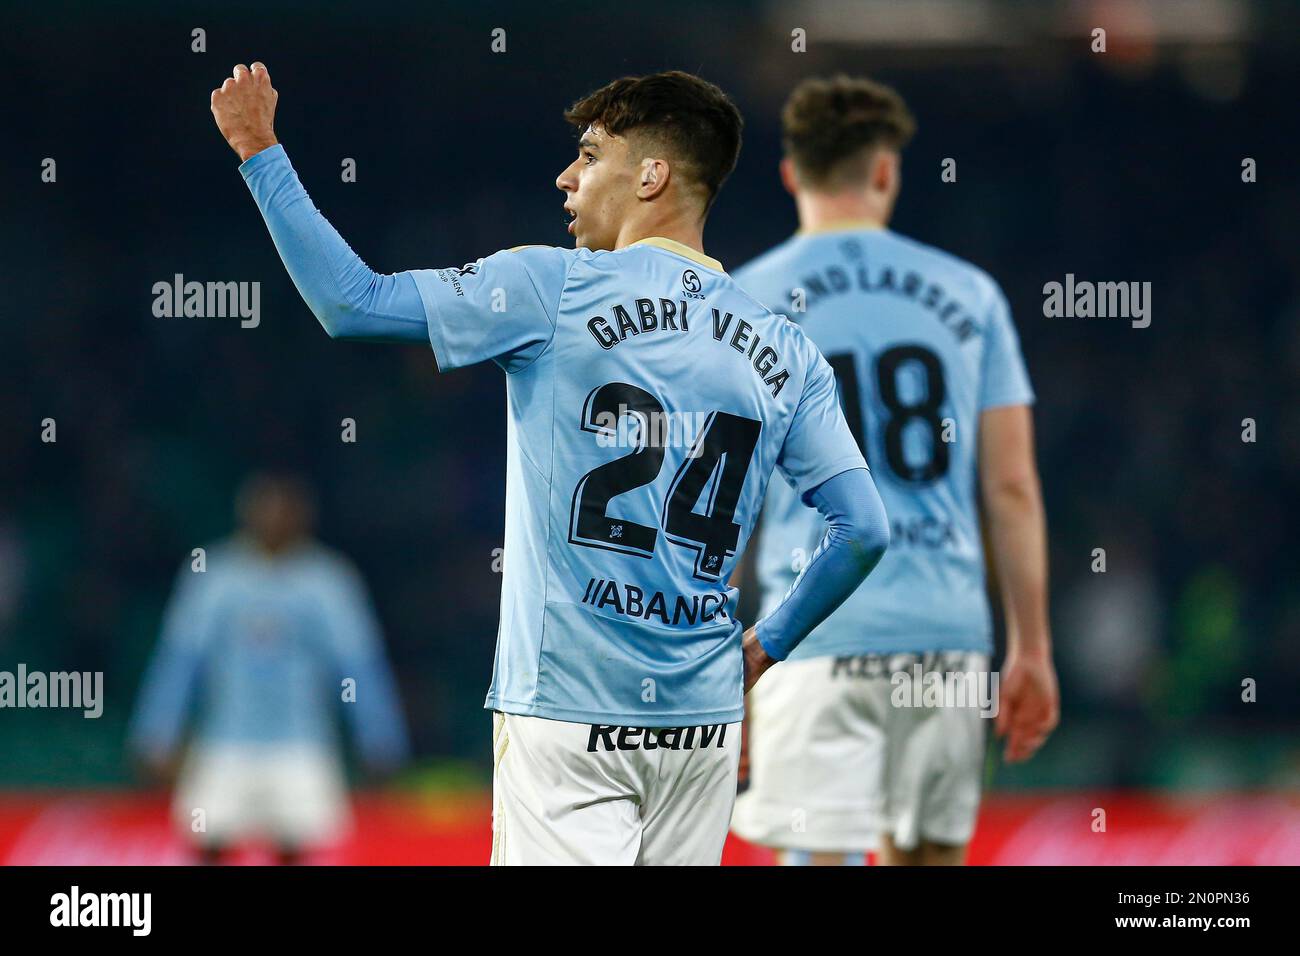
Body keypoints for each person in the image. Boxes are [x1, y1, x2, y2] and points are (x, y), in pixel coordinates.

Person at [208, 63, 889, 865]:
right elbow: (862, 530)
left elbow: (351, 303)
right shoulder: (787, 350)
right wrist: (763, 649)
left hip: (567, 711)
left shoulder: (553, 288)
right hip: (702, 719)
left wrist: (260, 151)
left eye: (590, 155)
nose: (566, 177)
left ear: (652, 175)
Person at [730, 75, 1059, 865]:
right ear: (885, 172)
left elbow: (723, 495)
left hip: (809, 632)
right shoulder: (968, 294)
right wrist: (1032, 649)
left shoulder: (742, 300)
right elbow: (1010, 487)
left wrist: (717, 660)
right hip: (943, 635)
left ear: (790, 174)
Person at [129, 472, 409, 864]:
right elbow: (180, 661)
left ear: (302, 517)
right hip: (226, 740)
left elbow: (359, 667)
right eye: (264, 508)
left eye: (284, 509)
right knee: (207, 839)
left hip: (302, 741)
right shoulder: (214, 576)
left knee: (299, 847)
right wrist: (157, 732)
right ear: (245, 514)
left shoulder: (328, 581)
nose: (273, 518)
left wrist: (379, 736)